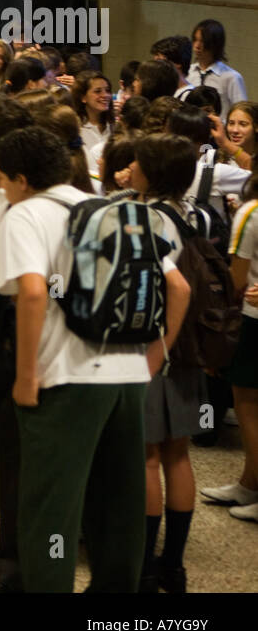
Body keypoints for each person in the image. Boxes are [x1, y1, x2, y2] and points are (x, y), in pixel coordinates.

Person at [0, 125, 190, 592]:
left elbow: (33, 293)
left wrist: (24, 377)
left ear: (22, 178)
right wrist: (153, 359)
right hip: (127, 376)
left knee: (51, 512)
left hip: (66, 380)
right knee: (119, 506)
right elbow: (178, 287)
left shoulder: (26, 216)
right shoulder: (115, 210)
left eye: (1, 179)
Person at [125, 133, 209, 592]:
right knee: (179, 453)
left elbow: (176, 287)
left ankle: (141, 569)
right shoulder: (195, 212)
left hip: (157, 346)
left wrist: (157, 351)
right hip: (190, 349)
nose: (130, 167)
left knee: (147, 457)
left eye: (137, 161)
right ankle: (173, 567)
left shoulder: (147, 218)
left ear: (153, 171)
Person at [206, 174, 258, 522]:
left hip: (254, 318)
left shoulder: (251, 212)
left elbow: (237, 280)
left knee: (247, 403)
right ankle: (248, 483)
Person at [187, 19, 246, 119]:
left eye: (202, 41)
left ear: (215, 44)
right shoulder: (188, 72)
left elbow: (241, 112)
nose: (197, 46)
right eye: (195, 40)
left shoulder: (232, 77)